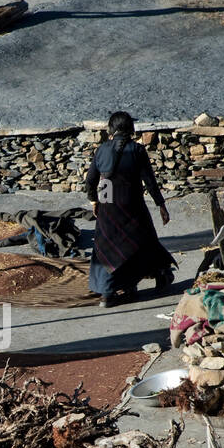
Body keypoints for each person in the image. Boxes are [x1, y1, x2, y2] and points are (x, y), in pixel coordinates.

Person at [85, 111, 175, 307]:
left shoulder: (101, 150)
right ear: (130, 129)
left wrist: (94, 202)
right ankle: (158, 275)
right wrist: (161, 205)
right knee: (145, 240)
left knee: (106, 247)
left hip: (107, 206)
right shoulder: (137, 150)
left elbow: (90, 181)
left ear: (111, 129)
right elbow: (149, 182)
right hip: (131, 206)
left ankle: (107, 294)